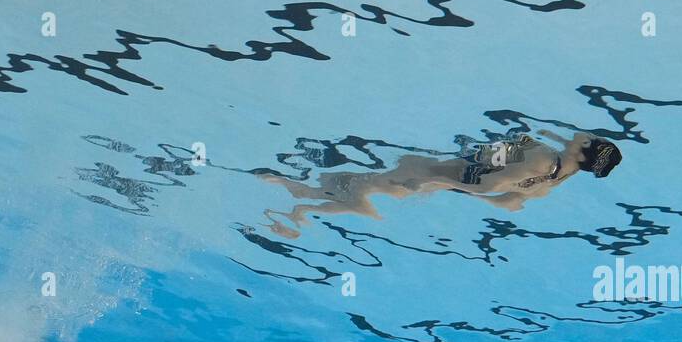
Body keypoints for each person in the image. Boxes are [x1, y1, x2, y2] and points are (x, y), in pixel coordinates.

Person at [262, 130, 622, 237]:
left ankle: (301, 209)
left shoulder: (542, 158)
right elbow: (509, 203)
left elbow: (492, 188)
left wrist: (438, 181)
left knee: (359, 186)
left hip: (437, 173)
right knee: (364, 185)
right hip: (448, 177)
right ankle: (303, 204)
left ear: (586, 148)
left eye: (592, 138)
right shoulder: (558, 177)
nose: (586, 133)